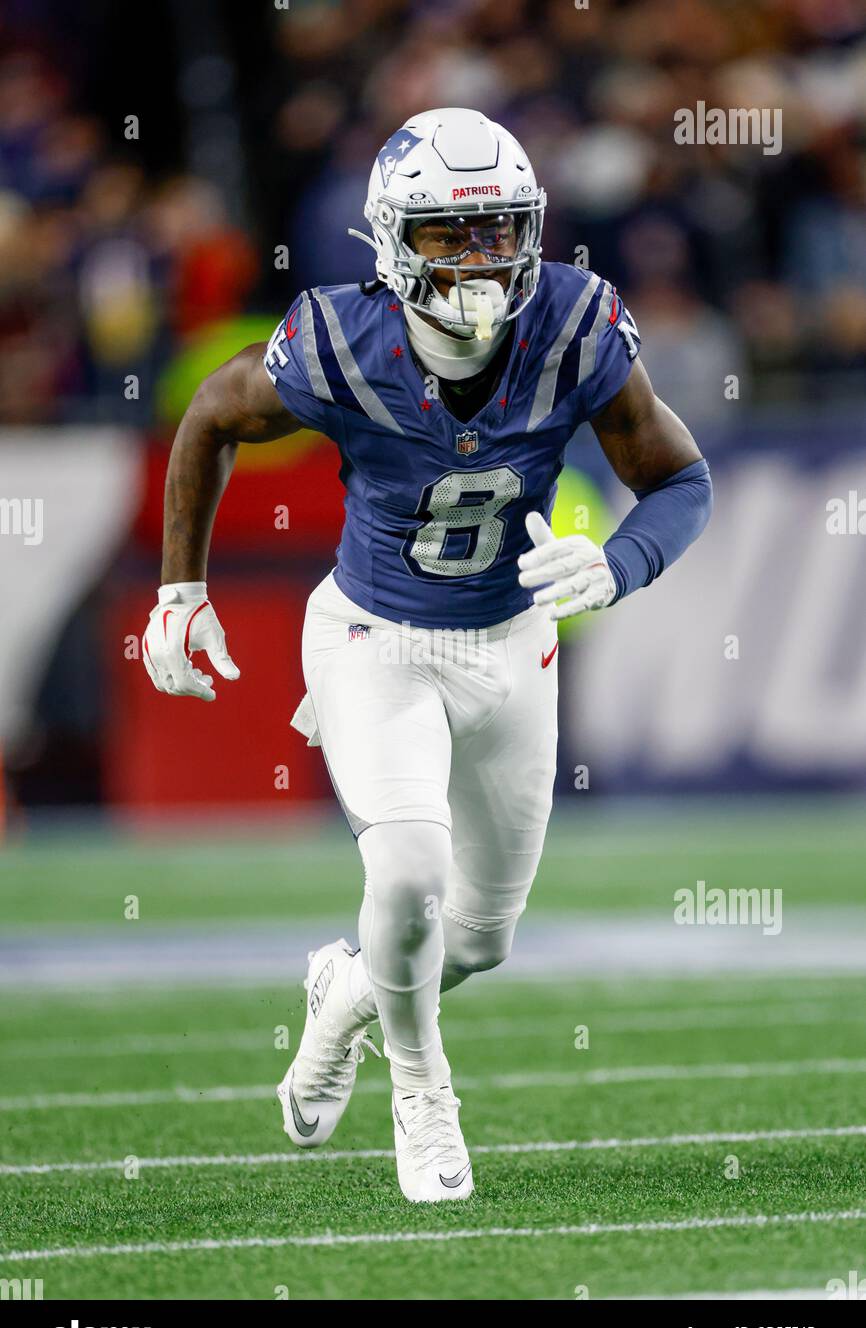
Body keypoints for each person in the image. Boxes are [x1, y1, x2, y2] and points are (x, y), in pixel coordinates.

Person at [142, 108, 712, 1203]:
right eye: (449, 236)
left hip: (510, 642)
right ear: (393, 242)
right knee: (404, 873)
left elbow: (678, 480)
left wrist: (621, 564)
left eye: (499, 230)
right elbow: (210, 414)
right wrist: (179, 591)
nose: (482, 260)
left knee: (479, 940)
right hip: (375, 635)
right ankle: (421, 1087)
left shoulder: (573, 321)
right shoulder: (340, 338)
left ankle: (345, 994)